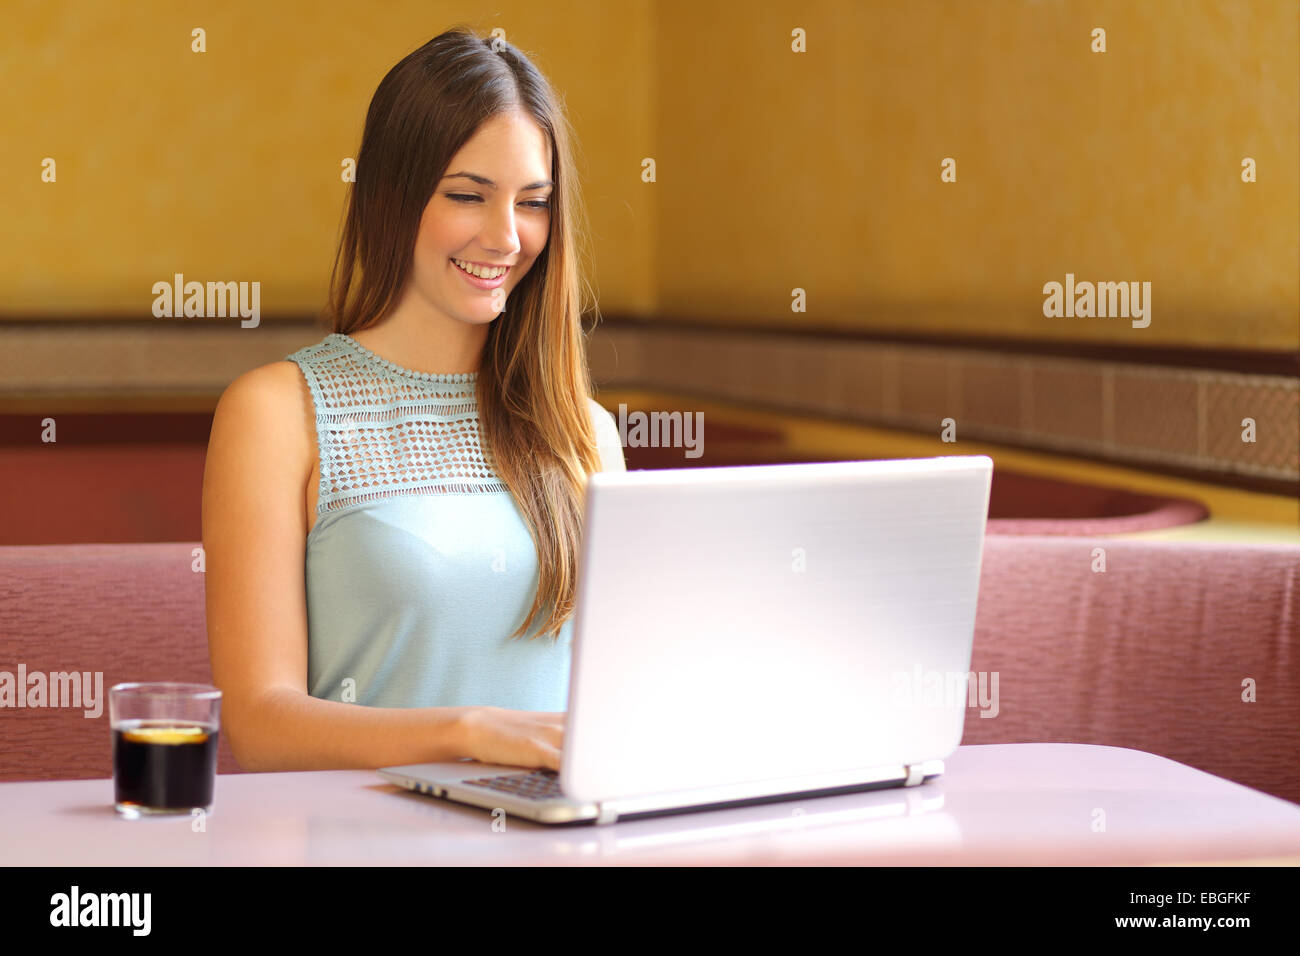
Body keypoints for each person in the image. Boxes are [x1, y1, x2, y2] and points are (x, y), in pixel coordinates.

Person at [202, 28, 625, 773]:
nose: (505, 236)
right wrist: (468, 732)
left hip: (563, 840)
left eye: (533, 203)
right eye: (468, 196)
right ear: (390, 195)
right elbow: (262, 726)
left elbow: (632, 688)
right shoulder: (274, 413)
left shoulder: (584, 433)